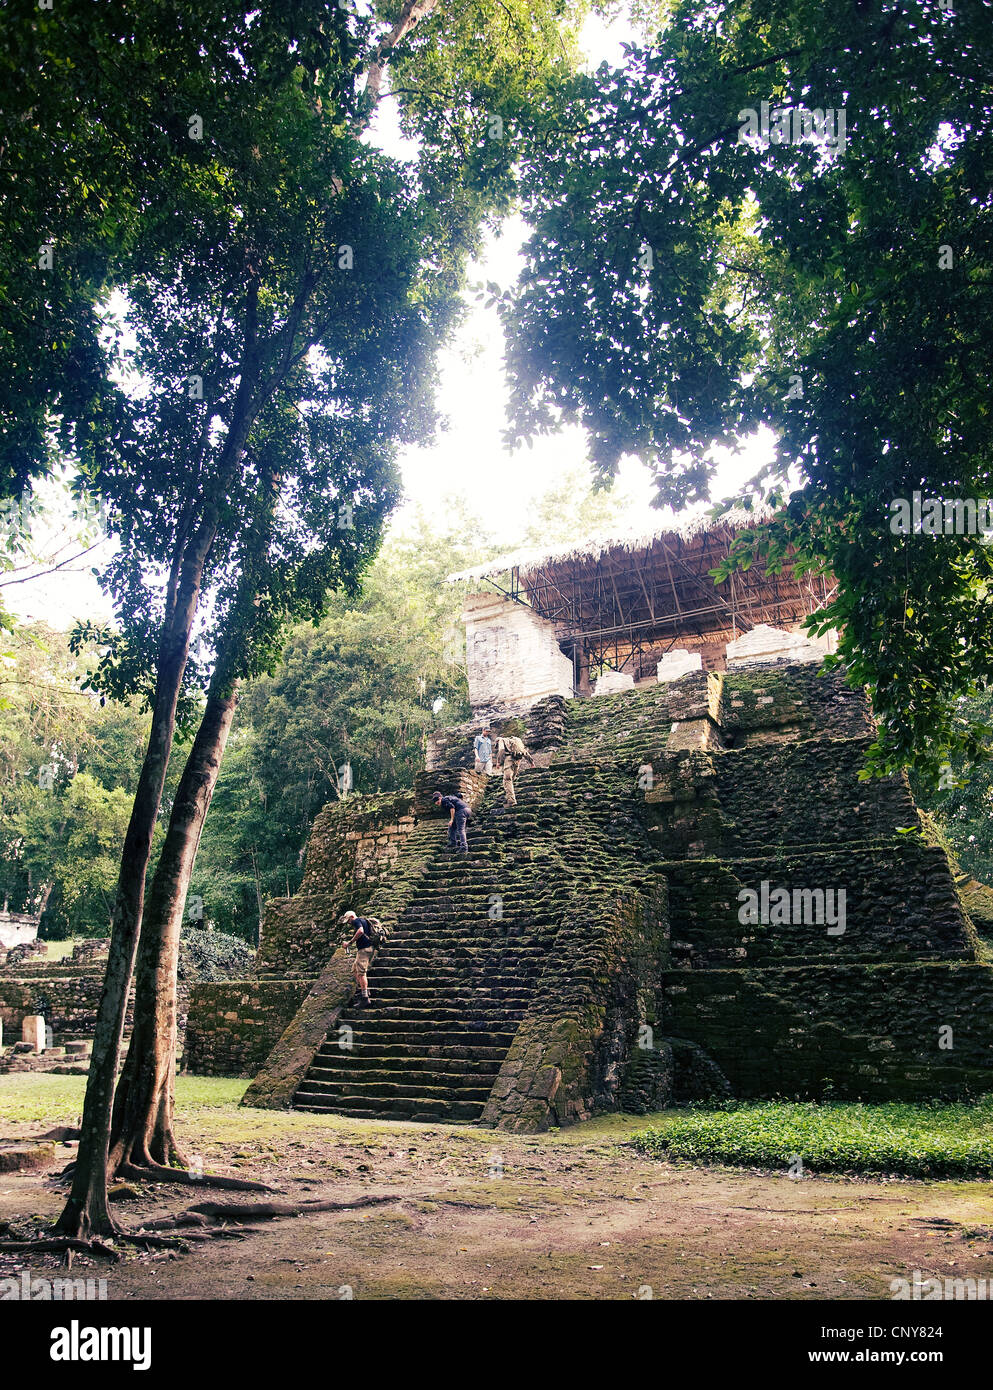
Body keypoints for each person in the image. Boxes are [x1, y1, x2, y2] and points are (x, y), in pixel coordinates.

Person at [342, 909, 381, 1007]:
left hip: (364, 949)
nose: (349, 923)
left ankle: (365, 998)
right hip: (366, 948)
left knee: (361, 973)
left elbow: (360, 931)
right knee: (355, 970)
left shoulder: (356, 921)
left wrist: (349, 943)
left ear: (351, 917)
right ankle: (364, 991)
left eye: (348, 921)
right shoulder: (364, 920)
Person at [496, 734, 535, 808]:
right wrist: (531, 762)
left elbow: (501, 750)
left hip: (509, 760)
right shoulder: (515, 741)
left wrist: (499, 762)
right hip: (517, 760)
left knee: (507, 780)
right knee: (510, 780)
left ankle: (511, 801)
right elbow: (524, 751)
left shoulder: (501, 740)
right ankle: (508, 797)